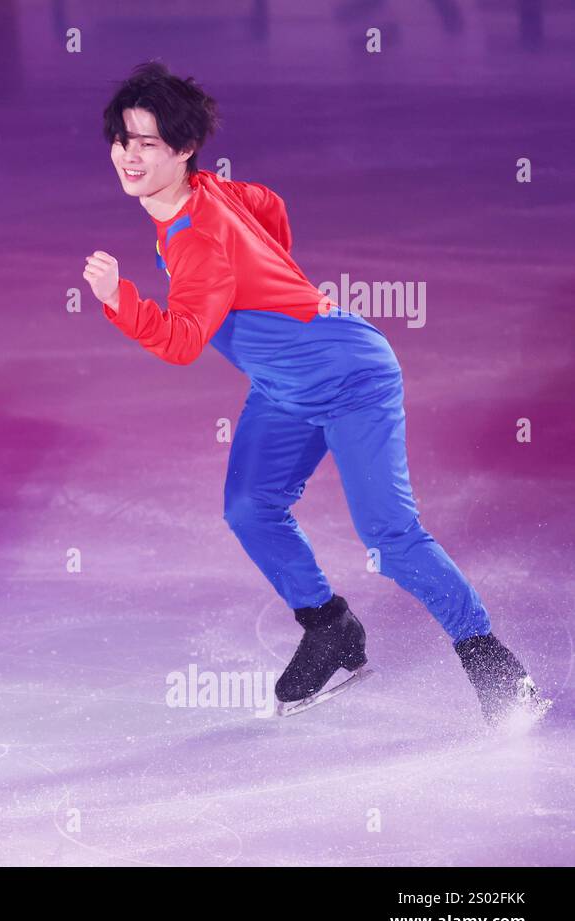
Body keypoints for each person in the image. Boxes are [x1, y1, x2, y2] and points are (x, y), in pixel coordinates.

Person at [82, 63, 548, 726]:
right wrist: (276, 282)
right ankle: (330, 628)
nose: (130, 156)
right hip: (286, 386)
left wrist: (117, 299)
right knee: (250, 507)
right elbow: (270, 206)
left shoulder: (198, 237)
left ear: (183, 150)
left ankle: (492, 659)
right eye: (123, 140)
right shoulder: (205, 192)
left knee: (389, 534)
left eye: (148, 143)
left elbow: (182, 340)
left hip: (351, 377)